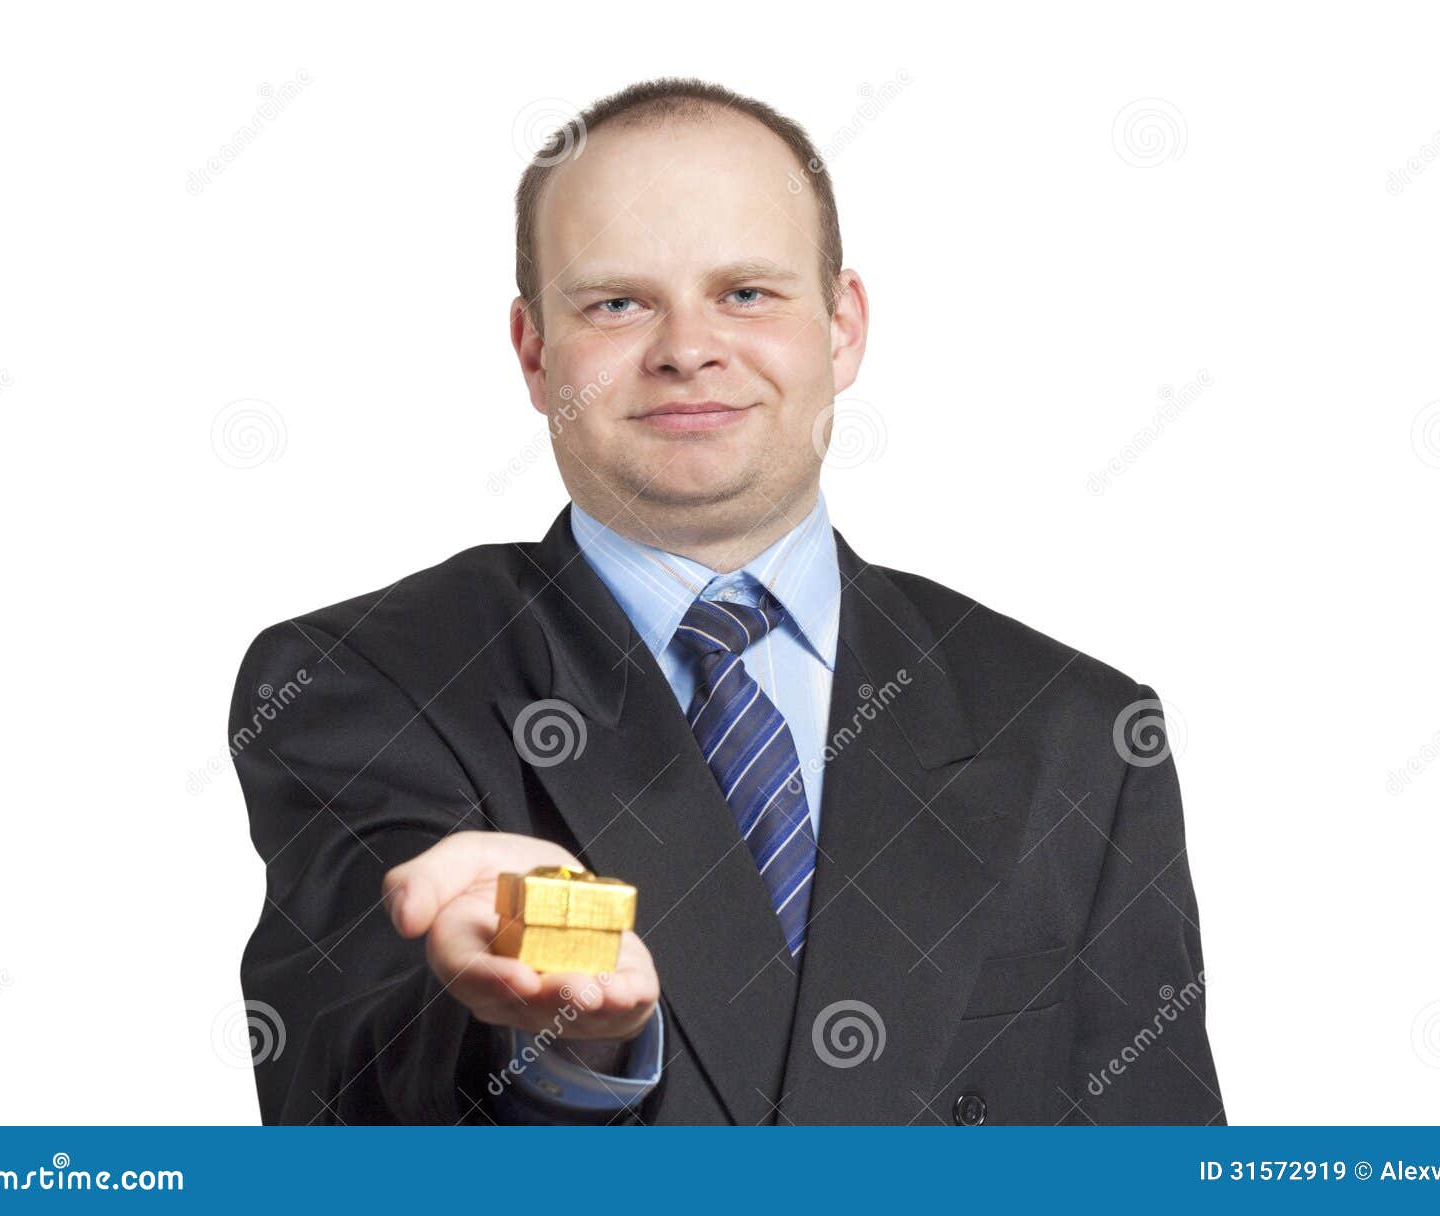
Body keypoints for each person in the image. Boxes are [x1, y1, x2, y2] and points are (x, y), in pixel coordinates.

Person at [230, 76, 1223, 1125]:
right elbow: (336, 1101)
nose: (686, 348)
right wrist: (558, 1037)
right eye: (617, 302)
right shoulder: (363, 681)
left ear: (841, 328)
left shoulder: (1075, 728)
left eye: (746, 293)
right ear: (533, 351)